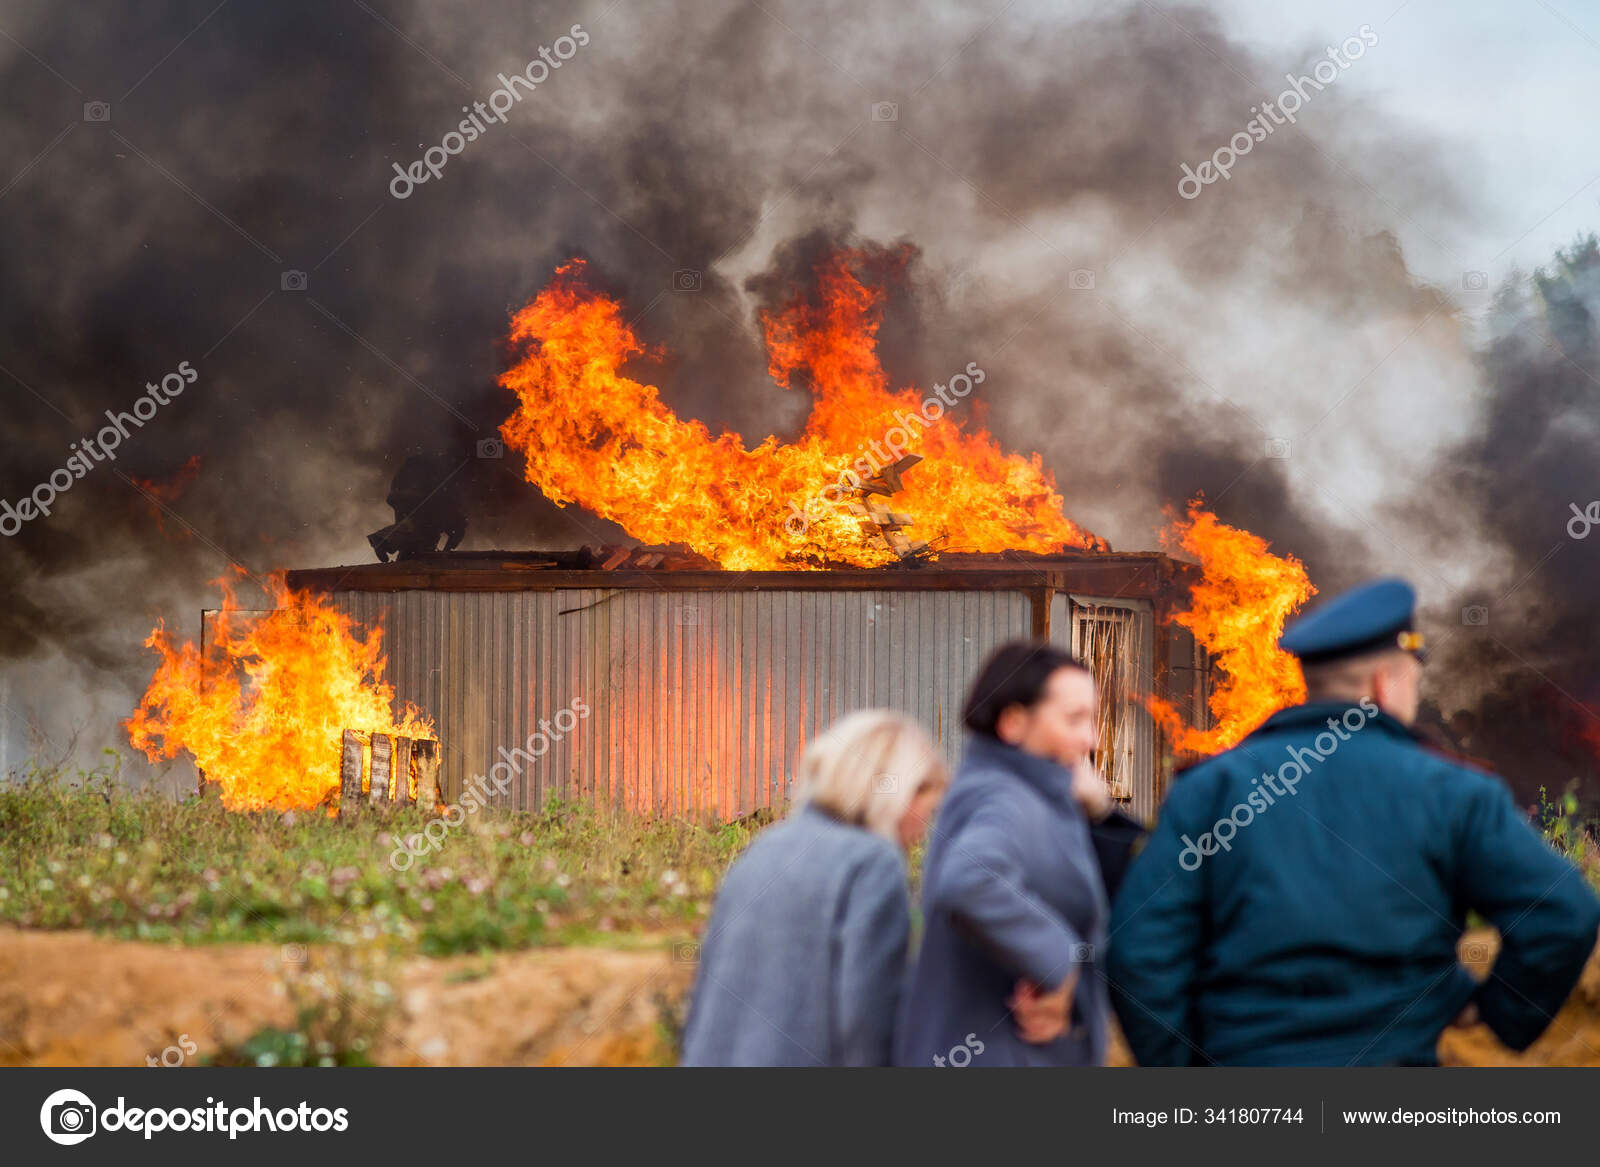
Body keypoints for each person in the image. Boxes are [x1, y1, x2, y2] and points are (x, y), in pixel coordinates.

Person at [1107, 577, 1600, 1066]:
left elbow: (1138, 950)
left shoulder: (1209, 789)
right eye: (1413, 676)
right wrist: (1496, 1010)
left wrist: (1183, 1063)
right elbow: (1563, 911)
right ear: (1384, 684)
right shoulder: (1452, 791)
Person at [895, 641, 1121, 1067]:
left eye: (1091, 720)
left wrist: (1100, 813)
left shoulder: (1035, 795)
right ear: (1014, 722)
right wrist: (1061, 964)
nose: (1090, 738)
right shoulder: (1000, 798)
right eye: (1074, 720)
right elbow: (970, 881)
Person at [679, 710, 947, 1066]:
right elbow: (865, 1019)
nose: (922, 832)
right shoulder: (872, 863)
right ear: (901, 796)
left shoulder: (767, 846)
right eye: (927, 811)